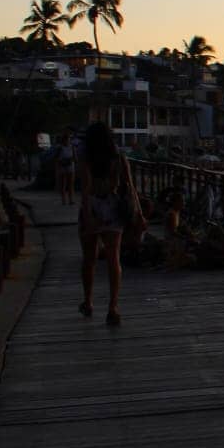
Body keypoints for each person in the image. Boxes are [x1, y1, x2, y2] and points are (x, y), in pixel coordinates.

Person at [77, 121, 141, 325]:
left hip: (93, 207)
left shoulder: (87, 158)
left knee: (89, 259)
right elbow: (130, 188)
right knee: (114, 258)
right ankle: (113, 306)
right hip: (113, 208)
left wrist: (88, 217)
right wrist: (139, 214)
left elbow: (86, 190)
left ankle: (88, 301)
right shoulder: (119, 158)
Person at [54, 131, 76, 205]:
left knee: (71, 184)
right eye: (66, 139)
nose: (67, 140)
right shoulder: (60, 148)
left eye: (68, 139)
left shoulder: (72, 147)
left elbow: (75, 157)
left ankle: (70, 199)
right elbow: (56, 158)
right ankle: (64, 200)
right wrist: (61, 162)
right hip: (62, 167)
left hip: (70, 166)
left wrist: (71, 160)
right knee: (63, 184)